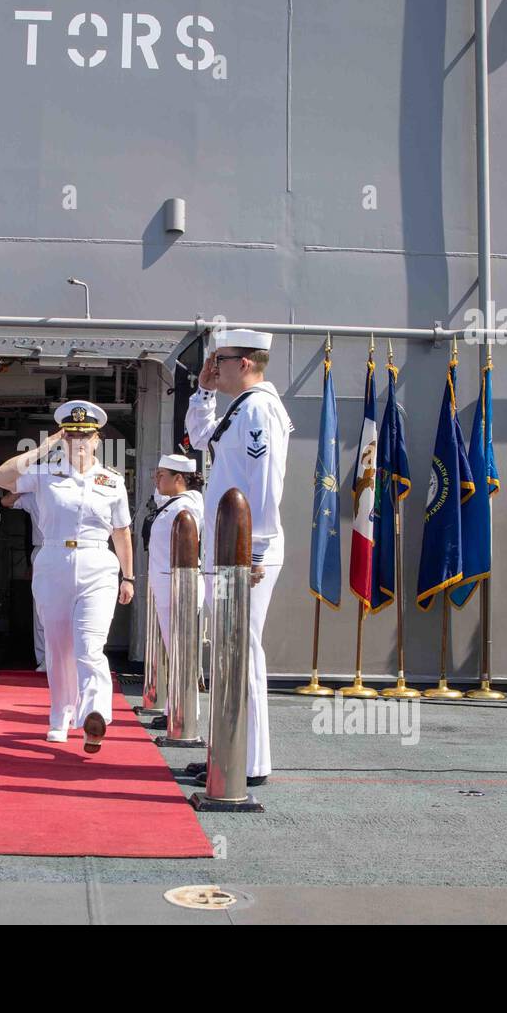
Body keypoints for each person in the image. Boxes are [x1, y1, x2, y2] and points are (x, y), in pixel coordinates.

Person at [0, 401, 134, 751]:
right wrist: (44, 447)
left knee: (90, 646)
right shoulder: (45, 474)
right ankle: (60, 715)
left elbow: (122, 532)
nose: (78, 442)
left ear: (98, 440)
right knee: (58, 648)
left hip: (98, 563)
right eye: (71, 436)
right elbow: (0, 477)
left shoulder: (112, 481)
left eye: (85, 436)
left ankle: (94, 714)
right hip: (54, 559)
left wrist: (128, 577)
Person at [184, 330, 291, 788]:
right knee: (231, 652)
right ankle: (229, 752)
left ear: (244, 362)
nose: (214, 366)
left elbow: (265, 484)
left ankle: (248, 762)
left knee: (241, 652)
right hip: (230, 549)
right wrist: (204, 391)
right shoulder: (242, 408)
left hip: (246, 552)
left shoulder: (260, 410)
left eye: (220, 361)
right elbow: (198, 436)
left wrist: (256, 550)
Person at [144, 453, 205, 655]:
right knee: (174, 651)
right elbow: (160, 496)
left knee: (180, 653)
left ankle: (187, 688)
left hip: (178, 586)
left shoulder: (187, 505)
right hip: (165, 585)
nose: (156, 479)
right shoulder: (172, 503)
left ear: (178, 478)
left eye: (161, 475)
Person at [1, 488, 47, 671]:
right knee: (41, 609)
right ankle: (44, 659)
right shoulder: (36, 495)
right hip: (43, 549)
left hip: (74, 549)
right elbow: (6, 502)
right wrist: (26, 483)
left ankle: (70, 659)